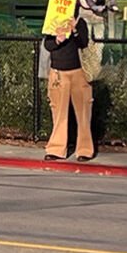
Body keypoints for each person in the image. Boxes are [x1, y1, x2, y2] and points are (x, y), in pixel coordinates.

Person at [42, 9, 94, 162]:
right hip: (58, 72)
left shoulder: (80, 23)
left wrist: (75, 29)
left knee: (83, 113)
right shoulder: (54, 22)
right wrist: (58, 40)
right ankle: (56, 149)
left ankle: (85, 149)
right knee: (58, 112)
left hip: (79, 72)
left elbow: (84, 43)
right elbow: (48, 44)